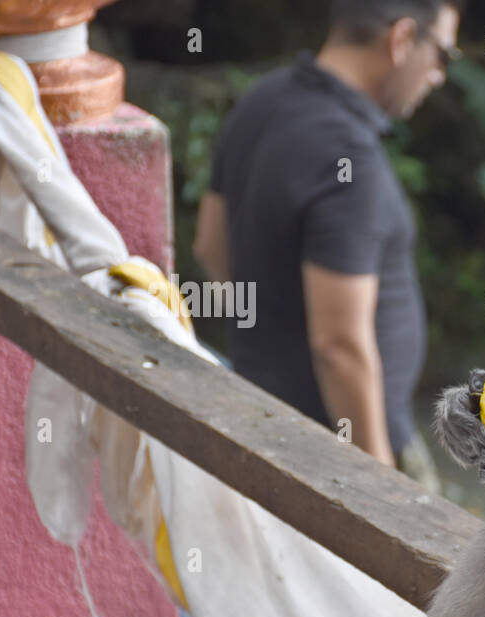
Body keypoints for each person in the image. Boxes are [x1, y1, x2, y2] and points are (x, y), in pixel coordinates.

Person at [193, 0, 462, 490]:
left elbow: (210, 244)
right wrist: (381, 488)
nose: (439, 75)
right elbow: (339, 346)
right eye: (443, 54)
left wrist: (272, 329)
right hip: (336, 460)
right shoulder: (347, 158)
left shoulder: (264, 99)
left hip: (263, 415)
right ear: (401, 39)